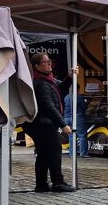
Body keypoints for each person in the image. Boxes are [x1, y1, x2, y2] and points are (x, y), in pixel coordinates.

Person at [22, 53, 75, 192]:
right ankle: (58, 182)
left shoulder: (48, 80)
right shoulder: (40, 83)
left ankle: (41, 184)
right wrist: (63, 124)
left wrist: (69, 77)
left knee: (44, 154)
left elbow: (61, 88)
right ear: (37, 66)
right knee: (54, 151)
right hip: (43, 124)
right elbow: (48, 106)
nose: (49, 64)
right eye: (45, 62)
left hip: (41, 124)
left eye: (49, 61)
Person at [62, 83, 90, 158]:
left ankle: (72, 154)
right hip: (77, 117)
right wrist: (88, 101)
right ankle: (83, 153)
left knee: (71, 136)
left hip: (67, 118)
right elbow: (83, 107)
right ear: (77, 89)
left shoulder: (66, 97)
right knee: (82, 135)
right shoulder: (79, 97)